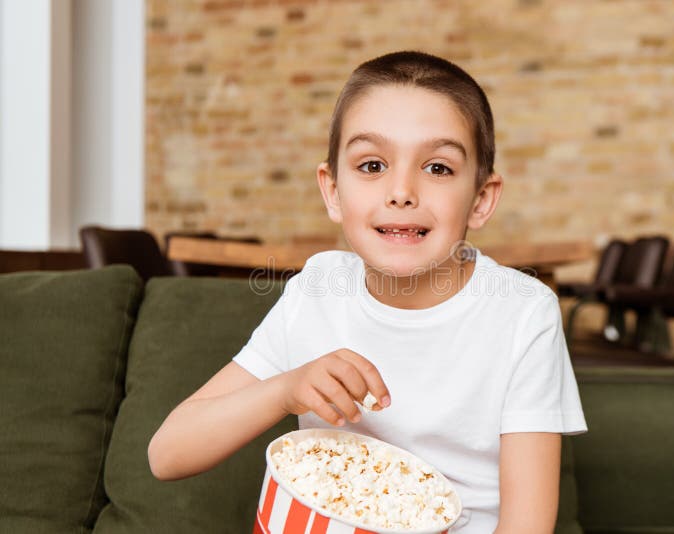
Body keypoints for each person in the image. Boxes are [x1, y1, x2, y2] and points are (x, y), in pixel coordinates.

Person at [149, 50, 587, 533]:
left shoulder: (522, 313)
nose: (401, 191)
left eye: (437, 168)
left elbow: (527, 526)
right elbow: (167, 454)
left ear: (481, 199)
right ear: (333, 190)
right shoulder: (315, 292)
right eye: (372, 164)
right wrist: (285, 390)